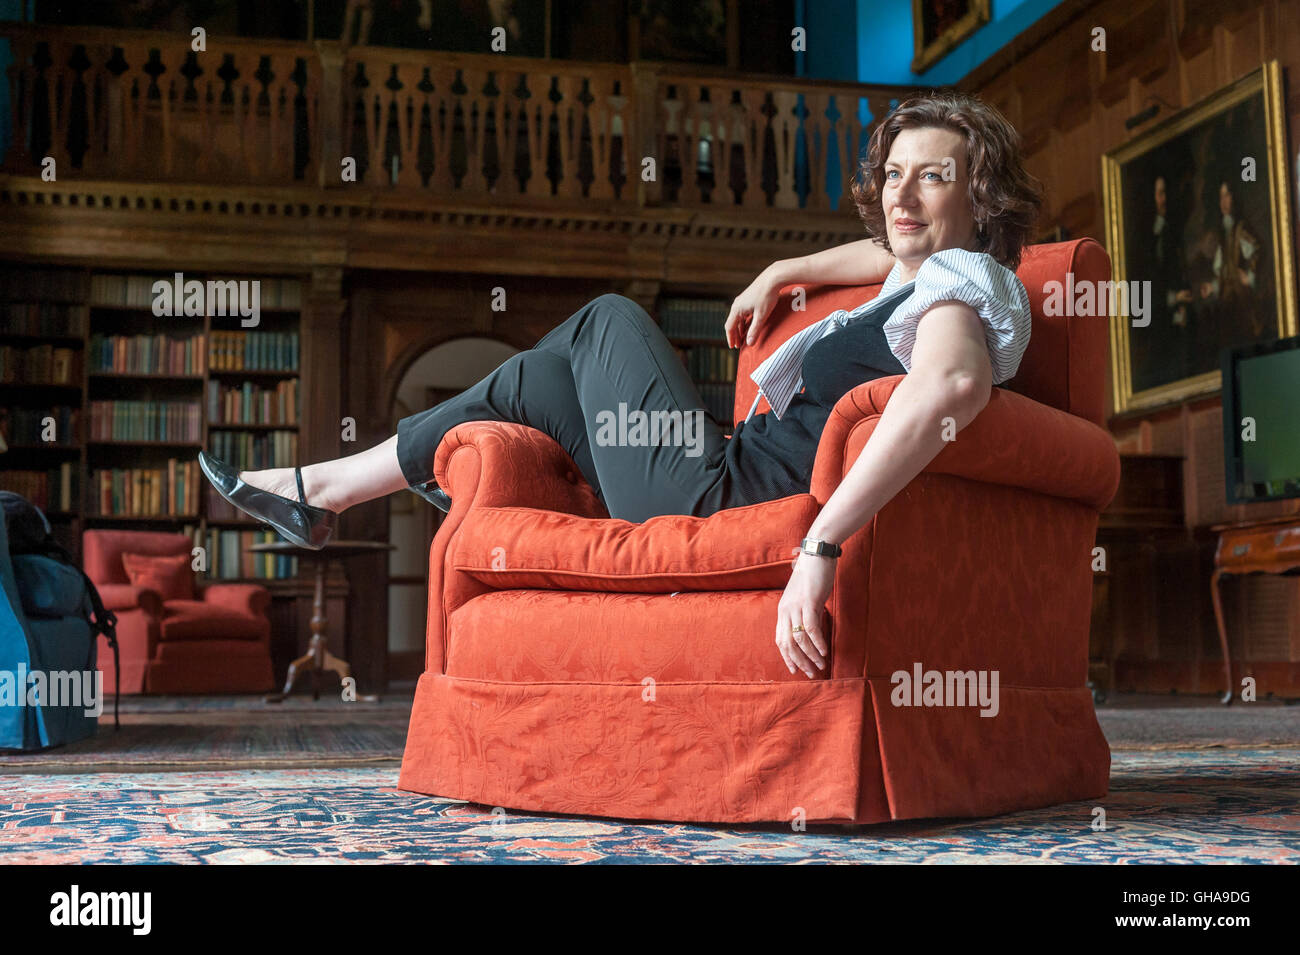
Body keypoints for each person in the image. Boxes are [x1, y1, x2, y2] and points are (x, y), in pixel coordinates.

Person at [200, 90, 1043, 679]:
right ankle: (333, 489)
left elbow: (953, 384)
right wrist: (787, 266)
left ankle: (339, 485)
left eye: (932, 175)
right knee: (537, 373)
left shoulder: (965, 285)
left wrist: (821, 546)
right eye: (893, 173)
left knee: (606, 317)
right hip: (718, 474)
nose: (903, 194)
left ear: (981, 194)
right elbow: (891, 247)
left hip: (721, 501)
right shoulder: (923, 270)